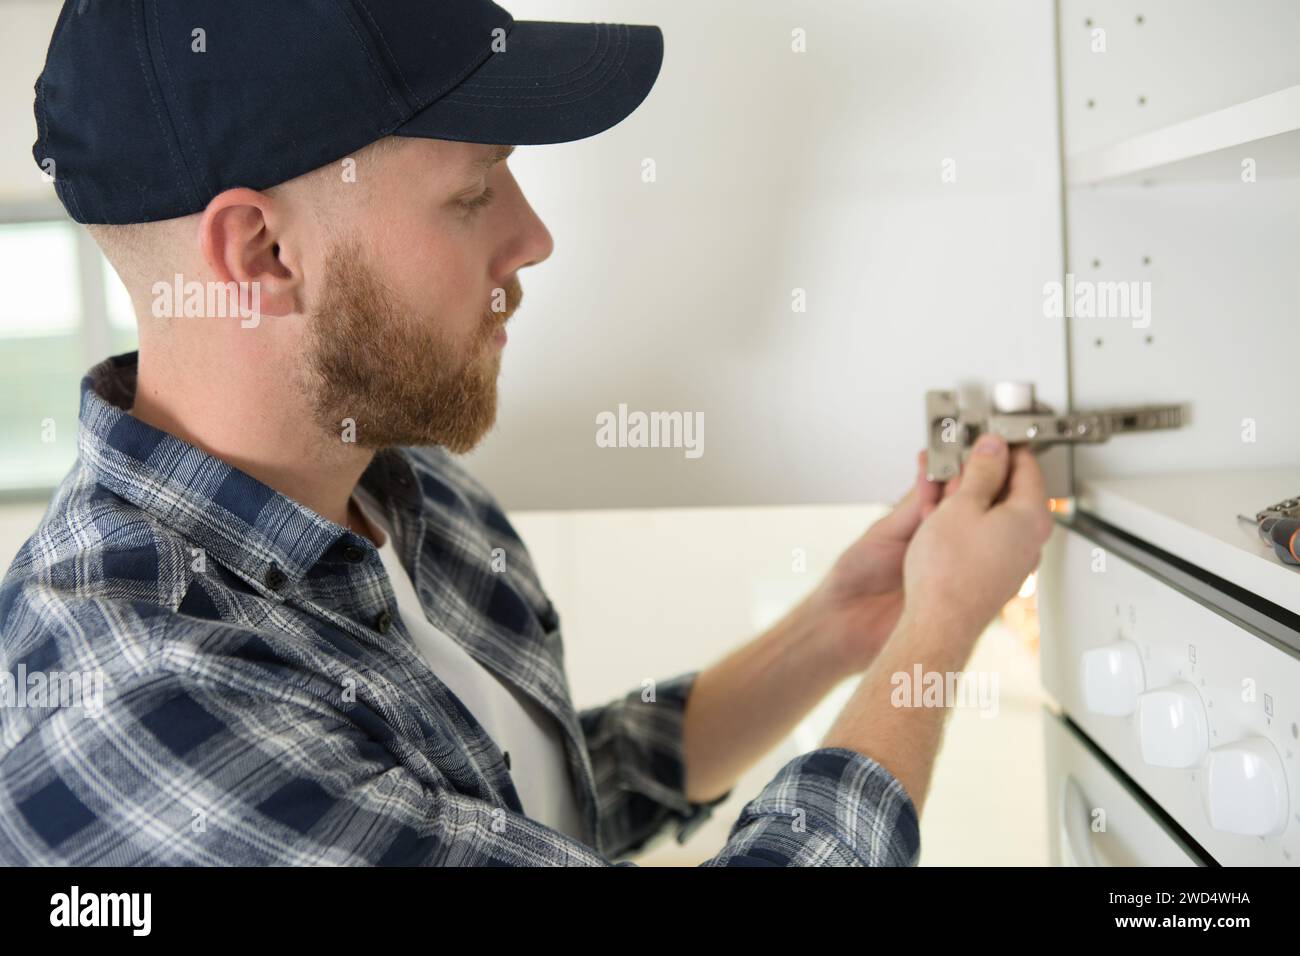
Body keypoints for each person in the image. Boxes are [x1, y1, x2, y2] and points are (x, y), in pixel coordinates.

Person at [0, 0, 1053, 866]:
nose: (531, 236)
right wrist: (936, 634)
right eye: (471, 192)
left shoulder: (407, 487)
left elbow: (514, 810)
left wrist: (839, 625)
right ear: (265, 252)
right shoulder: (141, 705)